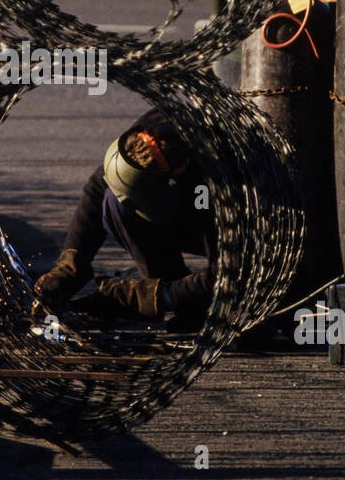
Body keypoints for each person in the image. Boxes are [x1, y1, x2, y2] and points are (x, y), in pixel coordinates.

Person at [32, 109, 216, 331]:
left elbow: (229, 275)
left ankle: (178, 298)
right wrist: (70, 267)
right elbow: (98, 188)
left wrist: (142, 297)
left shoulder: (214, 186)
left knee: (224, 294)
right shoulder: (149, 134)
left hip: (218, 227)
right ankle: (178, 296)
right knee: (114, 200)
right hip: (180, 200)